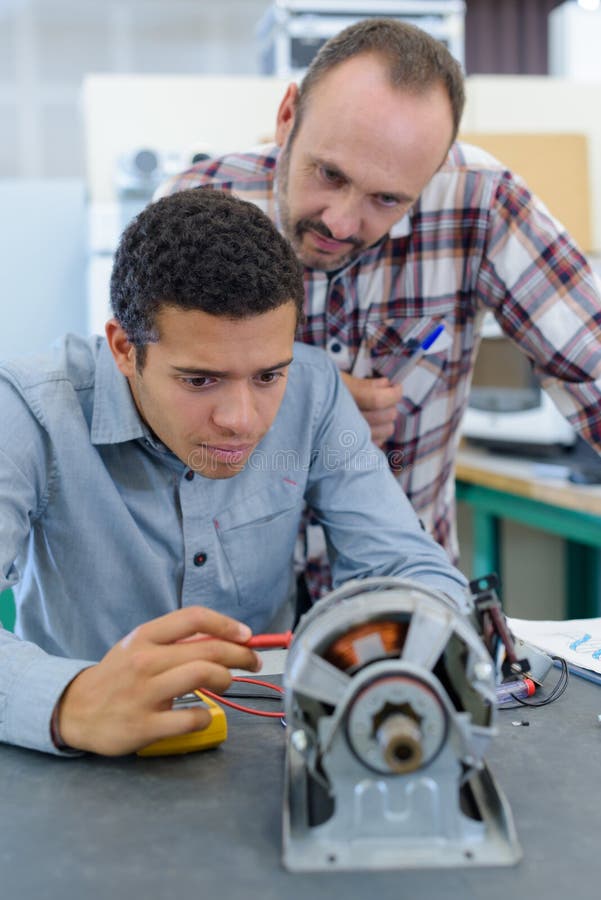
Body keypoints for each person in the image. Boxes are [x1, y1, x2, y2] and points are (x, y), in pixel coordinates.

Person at [0, 188, 469, 757]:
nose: (241, 421)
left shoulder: (315, 391)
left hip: (262, 745)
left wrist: (410, 649)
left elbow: (408, 564)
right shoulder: (27, 409)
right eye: (200, 380)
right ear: (125, 349)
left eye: (269, 376)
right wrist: (68, 699)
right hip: (77, 755)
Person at [159, 18, 601, 599]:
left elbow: (592, 363)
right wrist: (303, 405)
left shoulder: (483, 203)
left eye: (386, 199)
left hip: (404, 596)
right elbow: (145, 408)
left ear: (436, 169)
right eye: (329, 173)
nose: (341, 222)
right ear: (287, 115)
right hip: (230, 603)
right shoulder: (201, 206)